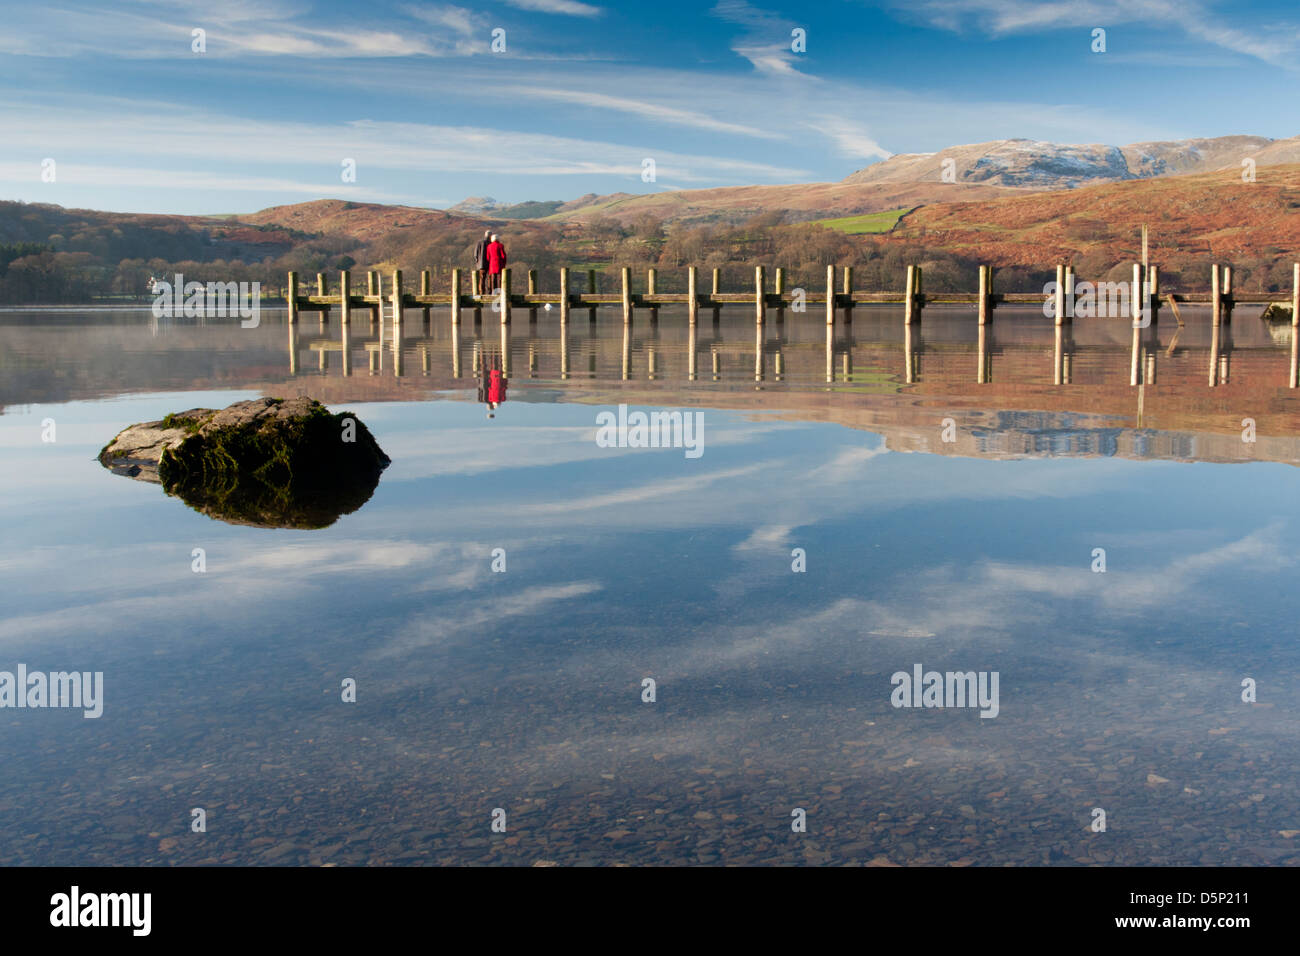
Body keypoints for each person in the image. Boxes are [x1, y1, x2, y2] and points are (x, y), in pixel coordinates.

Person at [477, 353, 508, 418]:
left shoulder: (501, 399)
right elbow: (485, 389)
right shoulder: (486, 399)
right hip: (490, 379)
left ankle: (495, 353)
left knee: (497, 364)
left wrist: (505, 379)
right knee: (489, 364)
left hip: (495, 378)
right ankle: (490, 353)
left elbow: (504, 388)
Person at [472, 230, 490, 296]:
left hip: (480, 264)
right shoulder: (490, 243)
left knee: (482, 278)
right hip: (489, 264)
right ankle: (489, 291)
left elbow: (475, 254)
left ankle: (482, 292)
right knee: (490, 278)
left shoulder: (479, 242)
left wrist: (477, 261)